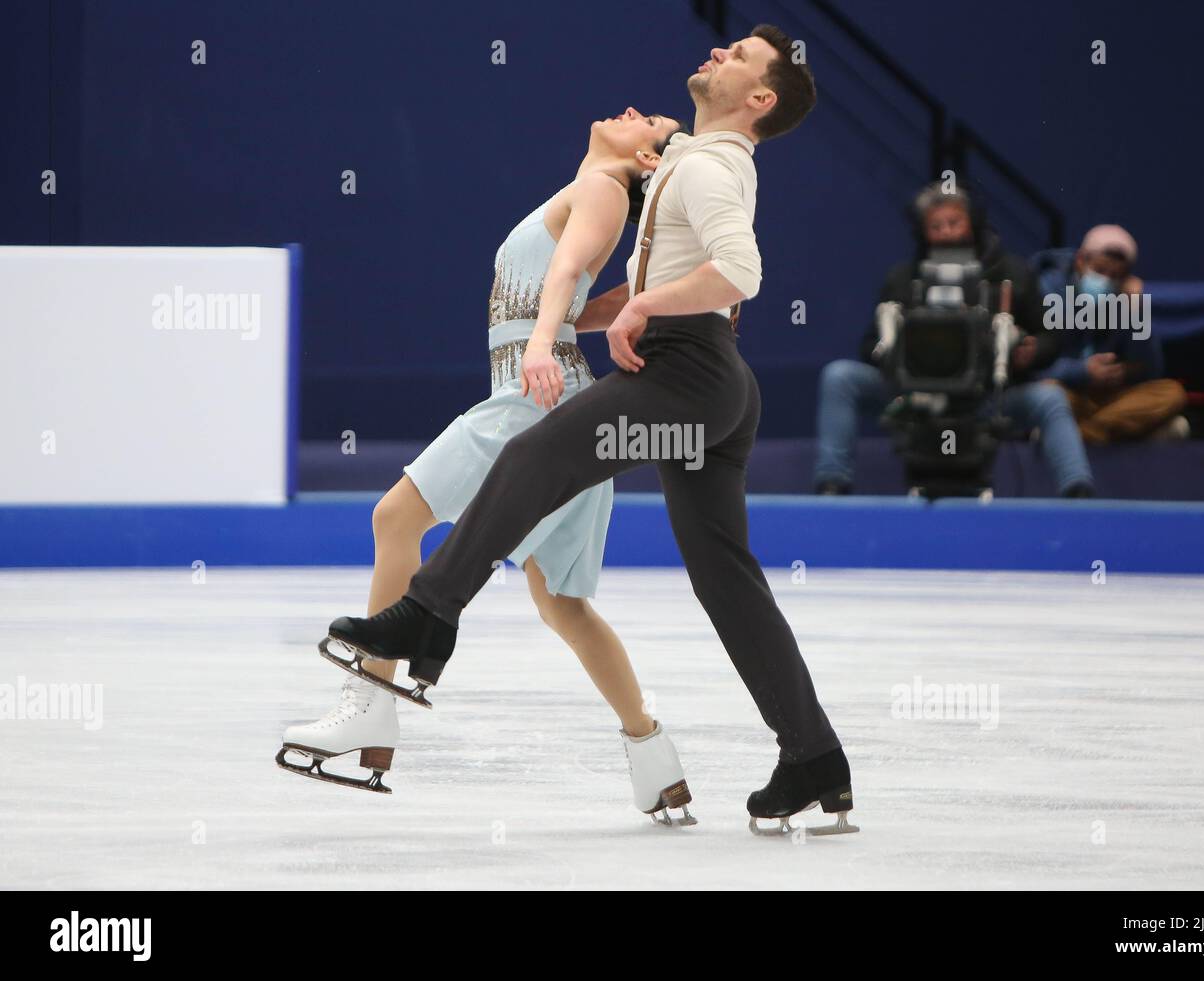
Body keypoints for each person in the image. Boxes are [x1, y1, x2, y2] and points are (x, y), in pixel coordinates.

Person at [324, 26, 858, 836]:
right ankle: (812, 755)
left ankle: (429, 611)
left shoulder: (714, 164)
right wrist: (611, 307)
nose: (717, 54)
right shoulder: (698, 157)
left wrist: (639, 307)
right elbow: (675, 261)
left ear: (761, 99)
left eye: (739, 57)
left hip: (687, 376)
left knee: (535, 451)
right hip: (712, 384)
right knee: (725, 580)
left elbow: (741, 271)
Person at [280, 107, 698, 825]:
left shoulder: (604, 184)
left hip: (534, 396)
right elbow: (603, 293)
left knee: (395, 517)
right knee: (560, 602)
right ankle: (654, 756)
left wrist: (542, 341)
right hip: (557, 394)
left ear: (649, 161)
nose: (630, 113)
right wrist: (572, 326)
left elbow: (563, 273)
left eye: (648, 121)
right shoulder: (595, 190)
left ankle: (370, 705)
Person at [813, 182, 1096, 497]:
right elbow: (869, 346)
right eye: (936, 226)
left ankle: (1078, 494)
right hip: (916, 397)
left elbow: (1051, 337)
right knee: (840, 377)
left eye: (953, 222)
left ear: (971, 223)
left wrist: (1033, 350)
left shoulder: (1012, 275)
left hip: (986, 397)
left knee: (1050, 400)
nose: (946, 232)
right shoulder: (903, 280)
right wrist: (898, 350)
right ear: (923, 232)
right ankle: (832, 483)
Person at [1036, 224, 1188, 443]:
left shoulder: (1125, 299)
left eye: (1116, 275)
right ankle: (1112, 432)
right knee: (1047, 392)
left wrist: (1136, 313)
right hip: (1068, 392)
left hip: (1109, 399)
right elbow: (1036, 369)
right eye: (1100, 270)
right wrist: (1083, 371)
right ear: (1080, 261)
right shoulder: (1049, 290)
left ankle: (1081, 436)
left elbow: (1152, 370)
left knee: (1173, 392)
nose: (1107, 280)